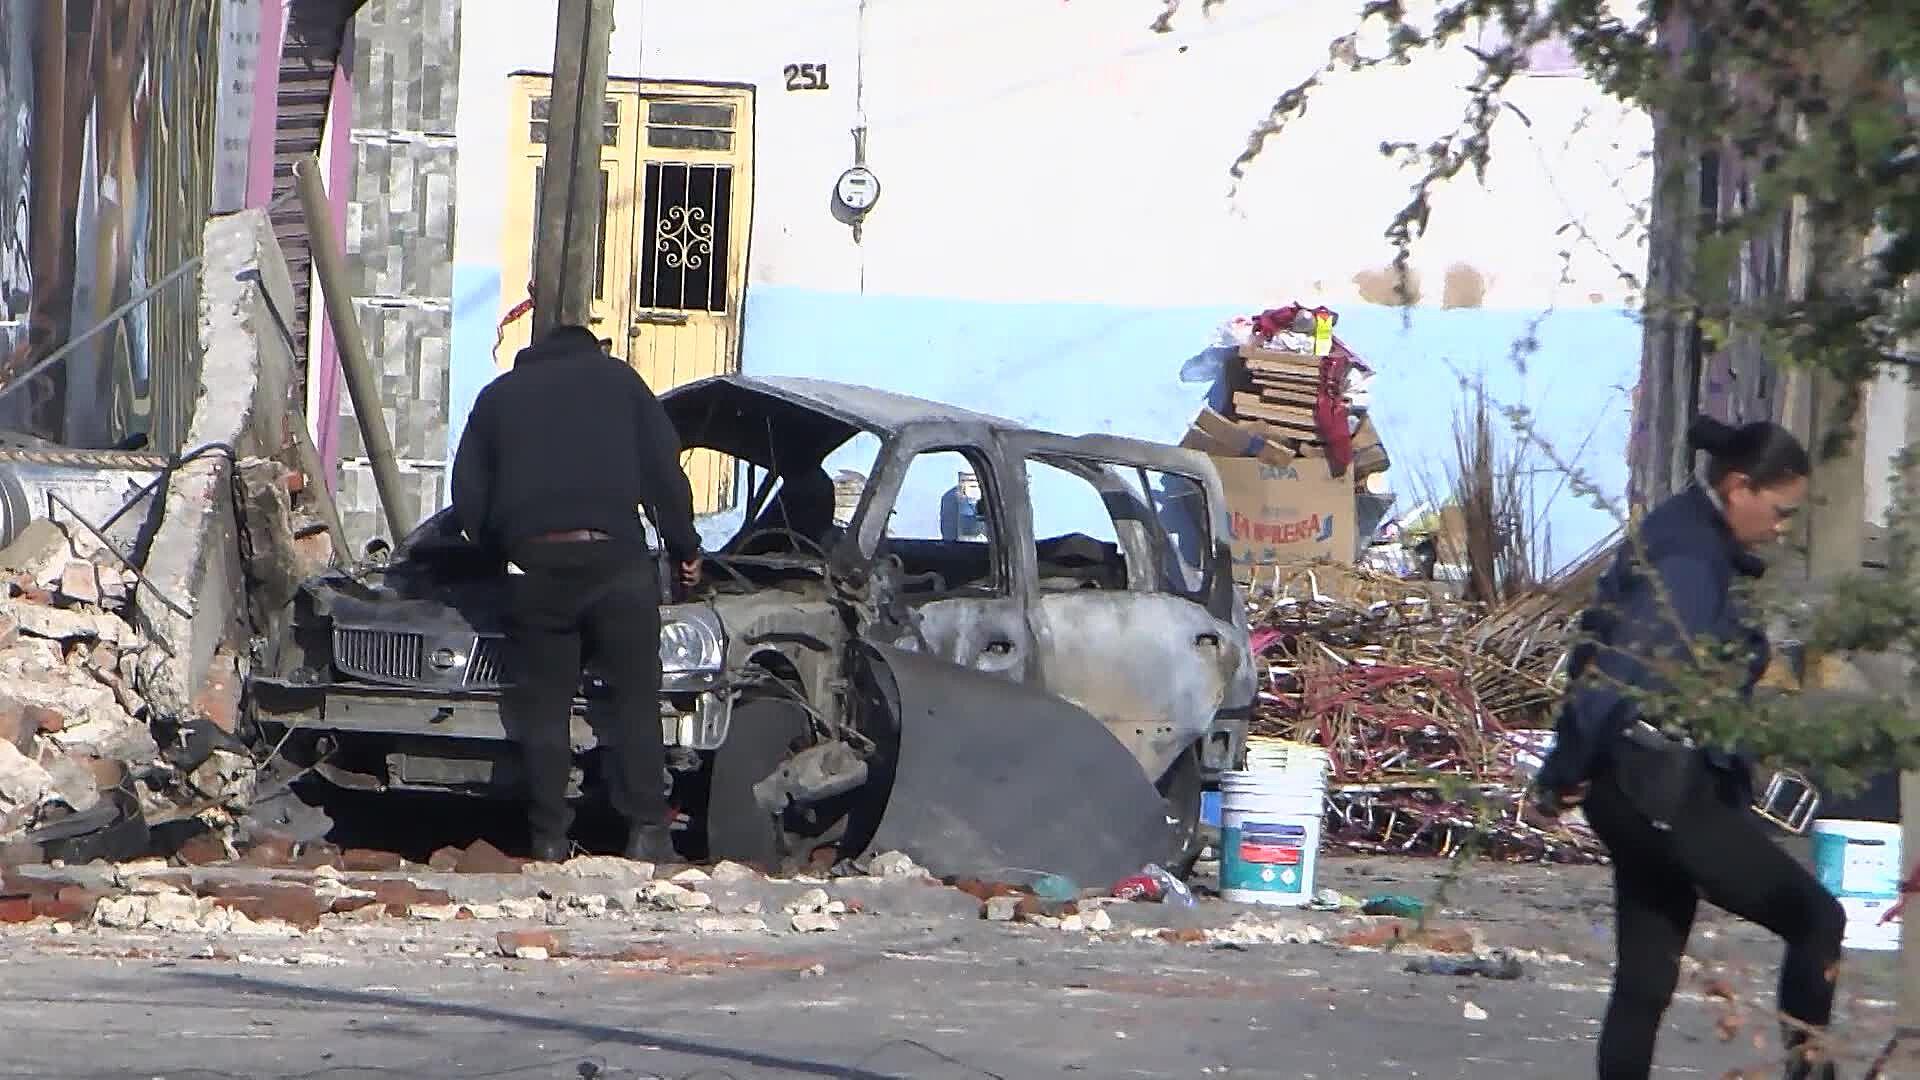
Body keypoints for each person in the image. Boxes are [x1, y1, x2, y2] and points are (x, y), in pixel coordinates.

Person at [1531, 416, 1843, 1080]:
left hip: (1634, 789)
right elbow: (1616, 674)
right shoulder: (1689, 563)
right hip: (1660, 787)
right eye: (1780, 511)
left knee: (1645, 978)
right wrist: (1560, 773)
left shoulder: (1687, 536)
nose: (1782, 528)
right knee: (1818, 920)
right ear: (1738, 487)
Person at [450, 324, 702, 864]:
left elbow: (468, 495)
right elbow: (664, 475)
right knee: (636, 698)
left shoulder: (497, 397)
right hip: (615, 561)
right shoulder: (621, 382)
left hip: (535, 568)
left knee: (545, 707)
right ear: (594, 347)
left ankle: (548, 839)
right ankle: (648, 833)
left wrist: (502, 552)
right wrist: (685, 547)